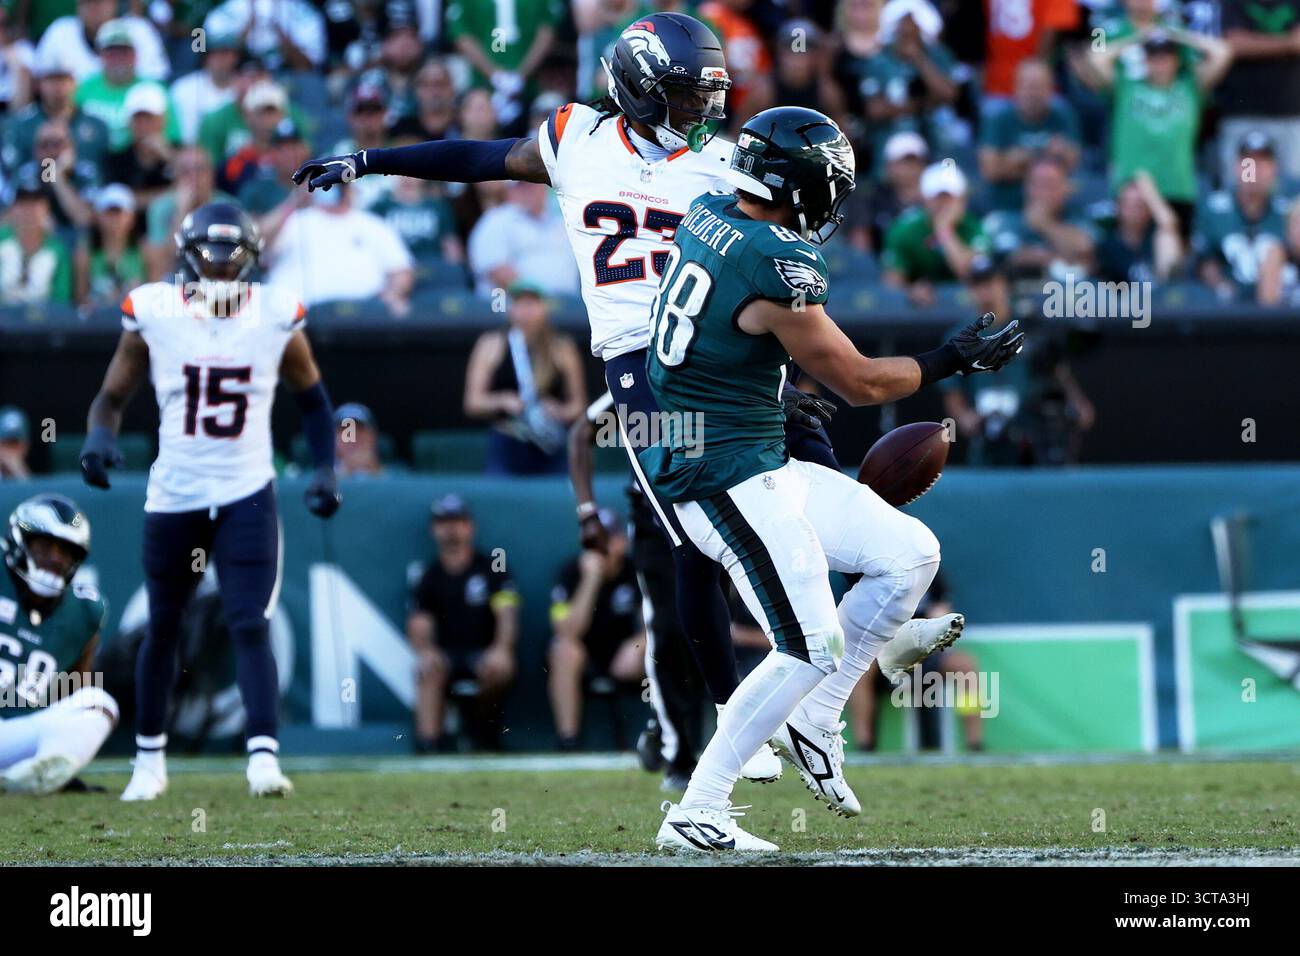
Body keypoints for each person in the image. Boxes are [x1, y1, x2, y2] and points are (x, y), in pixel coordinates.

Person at [294, 11, 789, 784]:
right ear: (640, 91)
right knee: (696, 539)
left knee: (727, 531)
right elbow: (479, 157)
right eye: (687, 93)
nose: (702, 108)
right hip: (639, 365)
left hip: (716, 362)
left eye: (707, 92)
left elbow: (778, 266)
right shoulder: (578, 140)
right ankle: (726, 719)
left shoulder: (724, 162)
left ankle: (775, 696)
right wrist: (371, 159)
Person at [645, 107, 1022, 851]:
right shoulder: (774, 260)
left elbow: (721, 334)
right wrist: (952, 359)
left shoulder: (712, 209)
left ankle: (816, 717)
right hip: (720, 475)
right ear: (803, 187)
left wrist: (770, 387)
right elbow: (859, 381)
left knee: (909, 553)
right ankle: (698, 808)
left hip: (752, 452)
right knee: (809, 644)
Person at [77, 201, 342, 801]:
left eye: (231, 263)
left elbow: (315, 404)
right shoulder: (154, 311)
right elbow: (110, 397)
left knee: (250, 621)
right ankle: (149, 762)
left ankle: (263, 758)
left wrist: (326, 467)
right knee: (163, 626)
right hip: (176, 492)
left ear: (250, 263)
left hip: (247, 488)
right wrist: (99, 436)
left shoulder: (276, 314)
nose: (220, 274)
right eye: (210, 262)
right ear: (187, 259)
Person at [0, 494, 119, 795]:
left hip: (13, 737)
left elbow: (73, 690)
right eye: (45, 546)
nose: (55, 558)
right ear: (20, 541)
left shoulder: (85, 612)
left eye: (66, 551)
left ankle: (40, 773)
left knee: (98, 702)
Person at [1089, 26, 1232, 238]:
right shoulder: (1126, 87)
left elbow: (1223, 52)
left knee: (1174, 261)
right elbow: (1096, 58)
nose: (1160, 64)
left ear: (1176, 61)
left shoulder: (1190, 88)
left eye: (1166, 57)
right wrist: (1138, 36)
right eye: (1153, 57)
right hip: (1133, 194)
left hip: (1177, 188)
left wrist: (1178, 35)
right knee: (1134, 262)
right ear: (1144, 61)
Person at [406, 494, 518, 752]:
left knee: (498, 666)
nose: (451, 530)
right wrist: (425, 651)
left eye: (457, 522)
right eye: (444, 523)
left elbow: (508, 613)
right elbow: (419, 624)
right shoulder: (428, 576)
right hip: (446, 654)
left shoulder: (492, 567)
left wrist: (502, 648)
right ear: (434, 529)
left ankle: (482, 731)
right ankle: (428, 745)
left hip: (483, 652)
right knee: (428, 668)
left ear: (470, 526)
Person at [463, 282, 588, 475]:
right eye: (519, 303)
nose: (525, 311)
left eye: (531, 304)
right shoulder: (491, 344)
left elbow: (579, 405)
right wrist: (502, 401)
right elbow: (473, 402)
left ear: (544, 307)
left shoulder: (562, 347)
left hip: (551, 441)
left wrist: (559, 411)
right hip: (508, 441)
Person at [548, 508, 645, 749]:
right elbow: (567, 632)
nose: (601, 548)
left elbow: (654, 626)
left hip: (624, 655)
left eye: (607, 540)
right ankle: (568, 741)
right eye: (593, 542)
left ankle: (661, 739)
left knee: (654, 648)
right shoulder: (569, 573)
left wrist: (638, 644)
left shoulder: (637, 572)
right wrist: (591, 579)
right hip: (584, 655)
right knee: (565, 650)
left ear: (621, 542)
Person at [263, 182, 415, 314]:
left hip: (361, 318)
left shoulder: (373, 225)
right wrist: (293, 203)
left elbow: (401, 271)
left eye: (340, 184)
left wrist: (391, 296)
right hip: (298, 316)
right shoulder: (295, 221)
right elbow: (257, 242)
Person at [1196, 132, 1294, 302]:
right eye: (1248, 162)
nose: (1254, 170)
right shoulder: (1214, 208)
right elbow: (1205, 260)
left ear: (1274, 170)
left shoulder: (1287, 211)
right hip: (1224, 310)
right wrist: (1221, 287)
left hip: (1279, 308)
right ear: (1236, 167)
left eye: (1262, 163)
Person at [978, 58, 1081, 212]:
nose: (1033, 93)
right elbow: (990, 170)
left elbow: (1072, 163)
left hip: (1054, 209)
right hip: (1007, 204)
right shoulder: (999, 119)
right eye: (1027, 86)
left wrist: (1018, 160)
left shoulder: (1062, 115)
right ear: (1015, 88)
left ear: (1050, 89)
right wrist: (1047, 160)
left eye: (1039, 86)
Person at [882, 160, 989, 303]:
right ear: (925, 199)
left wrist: (944, 230)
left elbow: (973, 275)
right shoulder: (905, 229)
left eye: (950, 197)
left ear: (962, 200)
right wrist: (910, 292)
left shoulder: (972, 228)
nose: (943, 204)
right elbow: (891, 284)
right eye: (937, 197)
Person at [74, 182, 146, 306]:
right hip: (98, 323)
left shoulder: (146, 253)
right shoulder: (84, 255)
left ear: (131, 218)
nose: (114, 220)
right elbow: (80, 302)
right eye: (109, 213)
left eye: (119, 213)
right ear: (98, 217)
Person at [333, 401, 385, 477]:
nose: (353, 436)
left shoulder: (398, 473)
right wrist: (346, 469)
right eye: (345, 429)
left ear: (373, 436)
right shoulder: (317, 475)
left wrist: (377, 471)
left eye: (360, 429)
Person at [0, 405, 31, 479]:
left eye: (13, 443)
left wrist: (19, 473)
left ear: (25, 446)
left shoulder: (24, 476)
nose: (8, 450)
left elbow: (33, 489)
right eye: (4, 442)